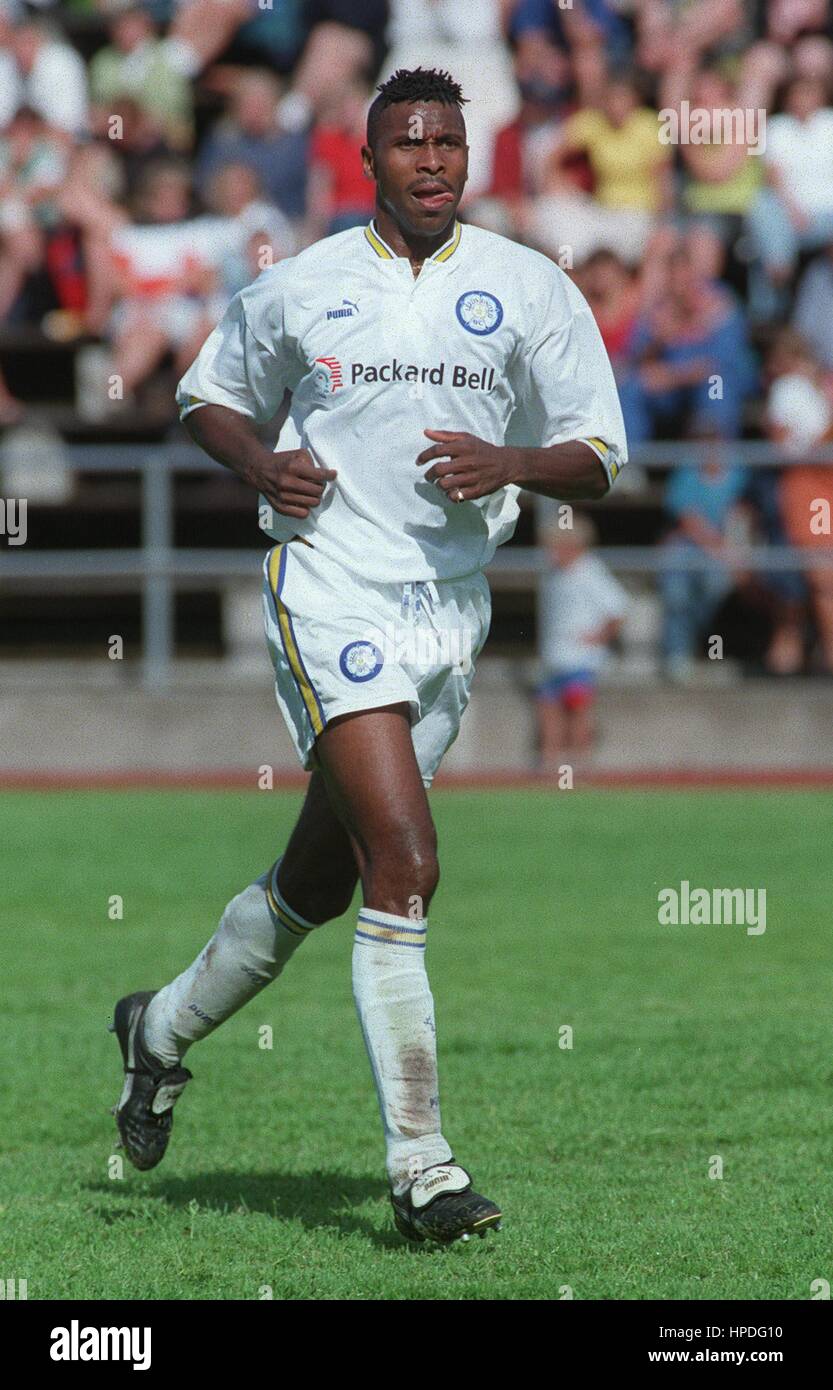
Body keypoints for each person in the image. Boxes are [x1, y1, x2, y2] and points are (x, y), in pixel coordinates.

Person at [110, 67, 628, 1246]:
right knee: (405, 859)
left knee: (320, 882)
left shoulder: (528, 284)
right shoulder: (302, 285)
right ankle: (423, 1168)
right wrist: (259, 466)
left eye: (448, 140)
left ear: (470, 153)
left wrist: (514, 464)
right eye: (409, 142)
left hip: (447, 611)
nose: (432, 159)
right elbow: (206, 397)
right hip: (329, 582)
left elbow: (599, 449)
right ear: (369, 159)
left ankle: (158, 1032)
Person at [535, 512, 628, 770]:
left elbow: (618, 610)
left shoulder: (590, 571)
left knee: (577, 711)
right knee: (548, 709)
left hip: (580, 659)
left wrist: (599, 637)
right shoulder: (554, 574)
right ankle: (550, 765)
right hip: (554, 657)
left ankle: (581, 765)